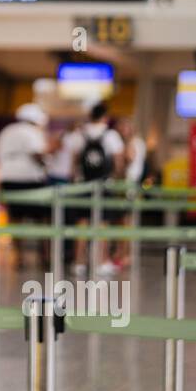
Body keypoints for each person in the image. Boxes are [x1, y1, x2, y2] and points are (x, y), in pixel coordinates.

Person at [62, 102, 126, 274]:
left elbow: (74, 162)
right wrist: (118, 179)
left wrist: (74, 181)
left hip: (83, 185)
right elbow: (119, 162)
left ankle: (79, 262)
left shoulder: (79, 134)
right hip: (104, 185)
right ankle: (101, 261)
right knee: (102, 224)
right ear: (105, 116)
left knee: (82, 223)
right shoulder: (111, 135)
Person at [0, 103, 49, 266]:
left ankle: (19, 257)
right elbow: (37, 155)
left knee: (15, 218)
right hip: (31, 180)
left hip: (8, 179)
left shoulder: (6, 132)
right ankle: (43, 256)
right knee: (41, 220)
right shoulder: (32, 132)